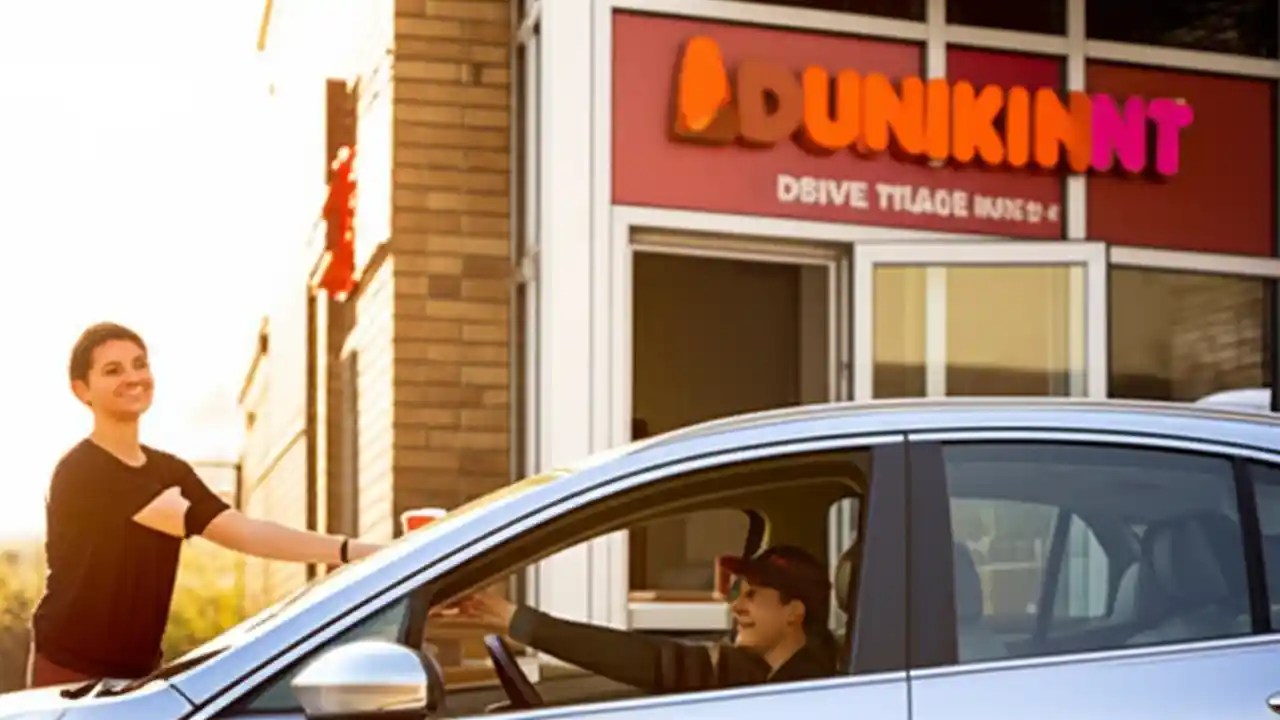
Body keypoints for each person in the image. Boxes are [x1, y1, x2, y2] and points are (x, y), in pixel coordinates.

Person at [27, 322, 386, 689]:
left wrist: (360, 552)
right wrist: (351, 552)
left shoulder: (170, 469)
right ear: (82, 390)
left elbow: (248, 529)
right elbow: (238, 535)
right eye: (112, 370)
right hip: (72, 672)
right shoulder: (84, 470)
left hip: (139, 672)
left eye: (140, 364)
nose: (133, 377)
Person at [456, 544, 838, 693]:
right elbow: (646, 658)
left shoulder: (815, 695)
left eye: (753, 596)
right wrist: (513, 618)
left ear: (794, 612)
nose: (737, 608)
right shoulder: (756, 671)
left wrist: (518, 621)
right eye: (737, 593)